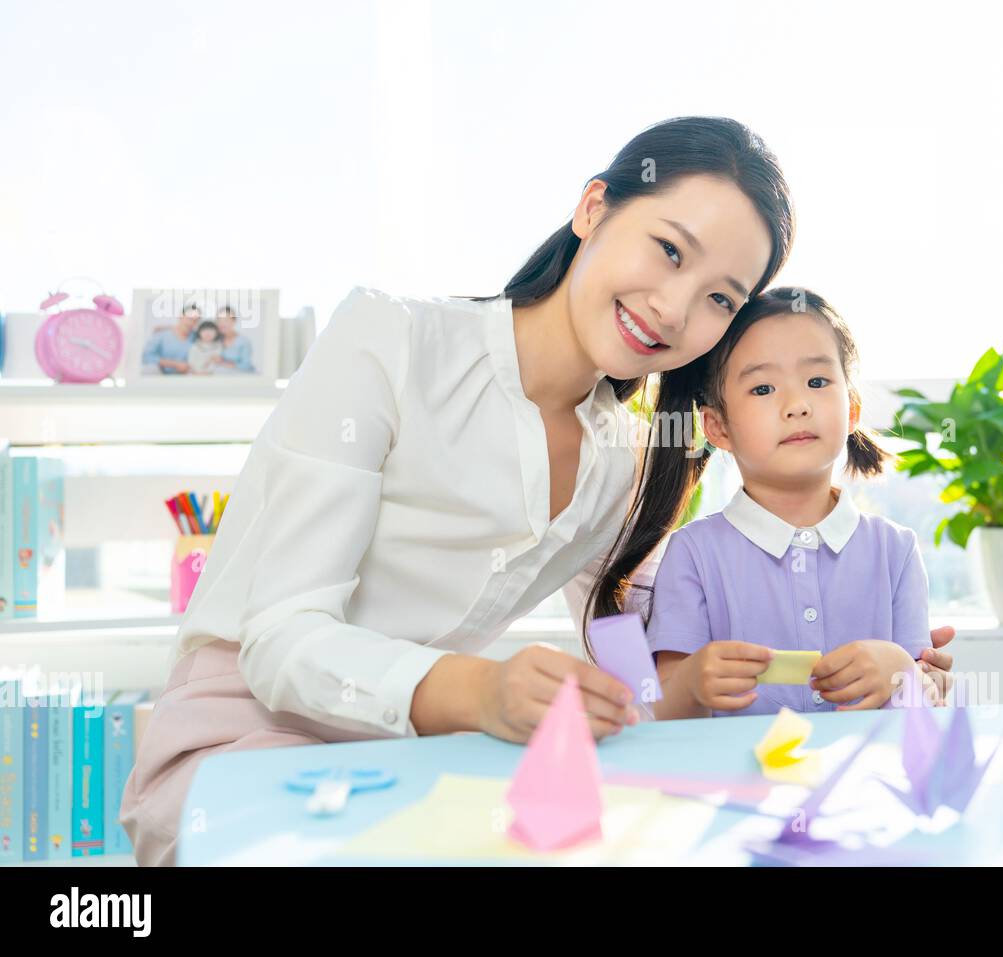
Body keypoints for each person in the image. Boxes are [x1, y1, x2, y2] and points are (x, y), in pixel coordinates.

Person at [118, 117, 956, 866]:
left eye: (718, 299)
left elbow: (633, 646)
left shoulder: (621, 458)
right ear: (593, 208)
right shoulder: (388, 341)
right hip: (245, 745)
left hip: (426, 758)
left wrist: (865, 656)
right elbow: (280, 639)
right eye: (669, 249)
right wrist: (481, 689)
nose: (672, 308)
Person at [648, 289, 943, 718]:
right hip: (738, 782)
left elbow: (926, 711)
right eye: (763, 388)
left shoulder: (895, 551)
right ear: (717, 427)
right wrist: (692, 683)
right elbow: (666, 710)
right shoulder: (694, 553)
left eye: (818, 382)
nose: (797, 405)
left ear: (853, 408)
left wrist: (904, 674)